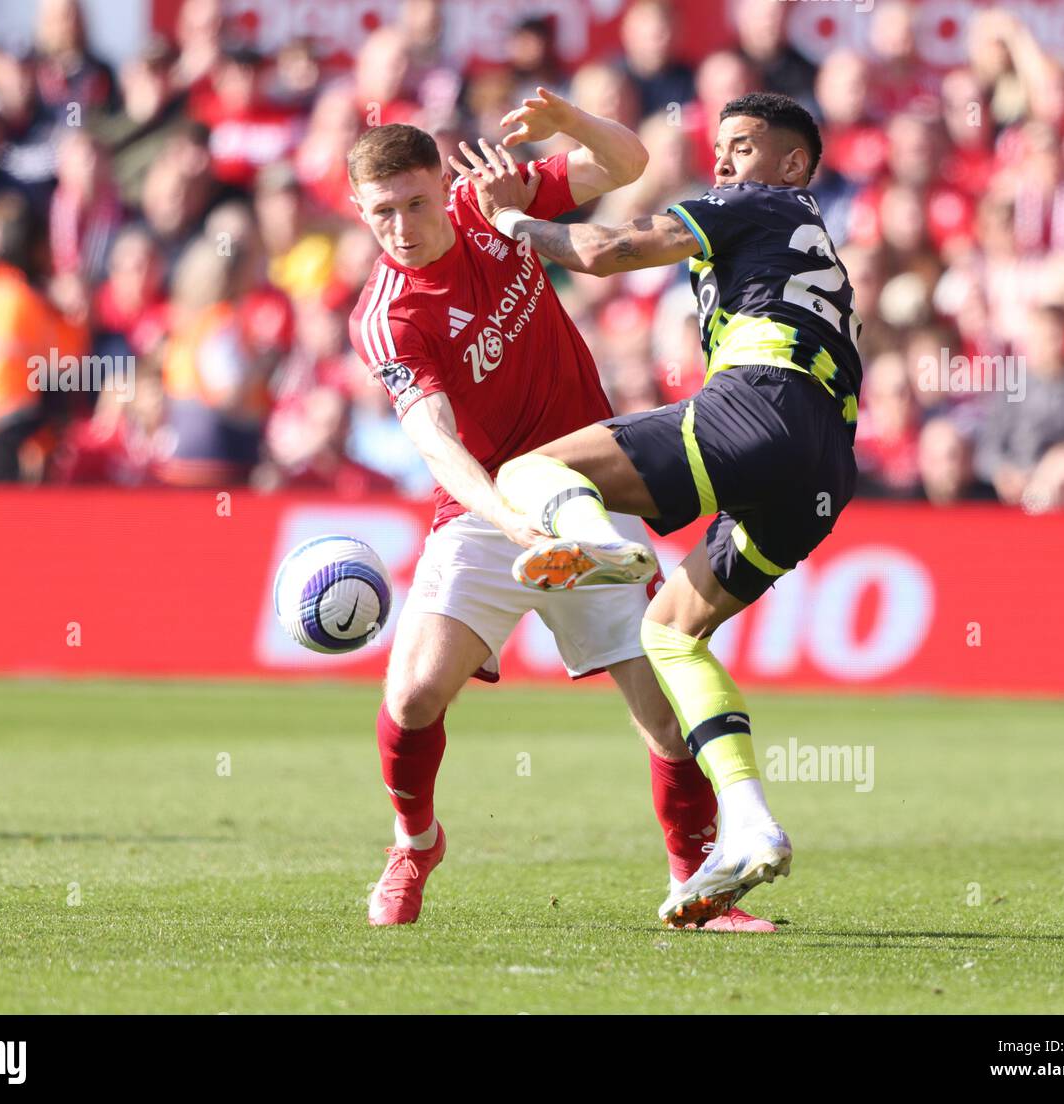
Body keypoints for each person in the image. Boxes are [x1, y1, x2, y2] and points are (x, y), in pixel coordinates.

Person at [346, 94, 773, 933]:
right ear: (361, 214)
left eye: (415, 203)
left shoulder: (485, 202)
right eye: (381, 214)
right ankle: (414, 842)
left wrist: (568, 121)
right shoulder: (388, 319)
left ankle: (700, 886)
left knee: (662, 709)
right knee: (416, 694)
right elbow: (437, 446)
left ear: (442, 184)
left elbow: (628, 166)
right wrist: (515, 527)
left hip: (590, 485)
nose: (401, 227)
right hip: (484, 509)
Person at [452, 92, 861, 926]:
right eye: (719, 147)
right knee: (670, 632)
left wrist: (511, 219)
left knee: (531, 471)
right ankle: (748, 825)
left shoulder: (756, 203)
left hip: (762, 401)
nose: (723, 161)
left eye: (743, 146)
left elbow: (602, 251)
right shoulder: (800, 236)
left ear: (792, 164)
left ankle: (607, 548)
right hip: (825, 462)